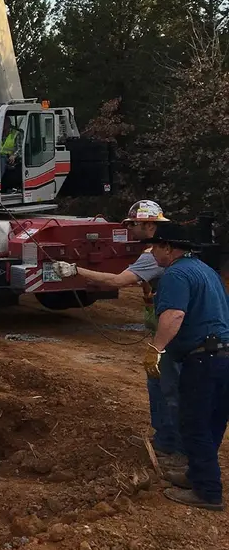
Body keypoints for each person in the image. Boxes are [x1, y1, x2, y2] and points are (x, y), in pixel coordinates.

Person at [55, 201, 185, 469]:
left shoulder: (154, 255)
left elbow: (116, 281)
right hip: (177, 331)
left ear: (150, 225)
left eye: (133, 224)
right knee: (162, 385)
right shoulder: (171, 250)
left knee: (167, 388)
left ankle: (173, 447)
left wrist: (75, 270)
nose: (129, 229)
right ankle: (169, 443)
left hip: (173, 335)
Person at [142, 220, 229, 510]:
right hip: (224, 355)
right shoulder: (206, 272)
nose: (152, 252)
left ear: (168, 247)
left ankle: (207, 492)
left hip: (202, 358)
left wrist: (156, 349)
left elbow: (174, 316)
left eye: (155, 246)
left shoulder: (176, 274)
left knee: (194, 423)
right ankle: (198, 474)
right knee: (214, 420)